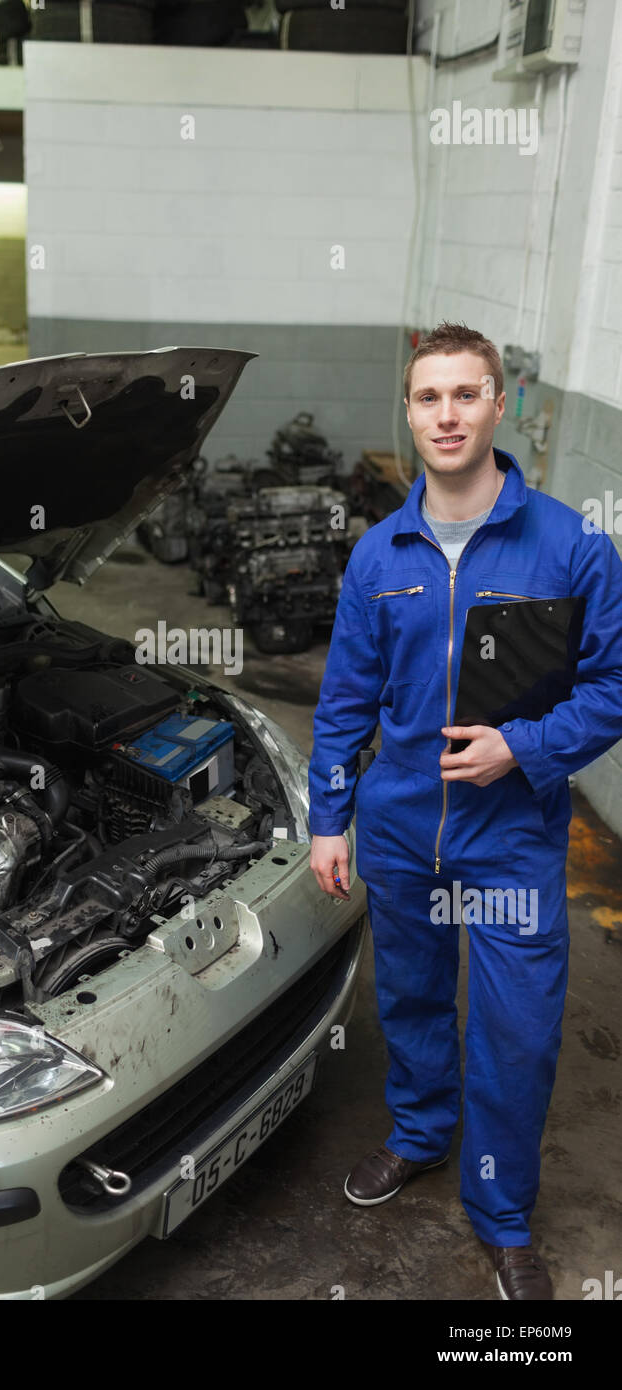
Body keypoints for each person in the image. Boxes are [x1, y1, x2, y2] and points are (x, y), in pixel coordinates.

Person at [308, 320, 622, 1301]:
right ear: (408, 413)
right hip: (400, 826)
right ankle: (417, 1133)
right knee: (405, 997)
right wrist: (329, 816)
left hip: (510, 839)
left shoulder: (570, 546)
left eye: (464, 393)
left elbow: (610, 687)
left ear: (497, 404)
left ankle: (499, 1215)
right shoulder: (377, 555)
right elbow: (344, 701)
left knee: (515, 1031)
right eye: (426, 397)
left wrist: (517, 748)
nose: (445, 413)